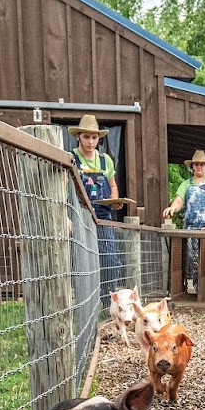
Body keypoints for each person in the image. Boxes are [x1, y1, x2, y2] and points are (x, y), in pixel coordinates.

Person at [163, 150, 205, 297]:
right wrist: (172, 208)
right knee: (195, 261)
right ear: (192, 167)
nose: (199, 167)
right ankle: (201, 292)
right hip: (192, 228)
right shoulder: (186, 184)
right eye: (196, 164)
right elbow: (179, 200)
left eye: (202, 164)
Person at [69, 115, 119, 300]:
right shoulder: (71, 158)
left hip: (103, 215)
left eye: (94, 137)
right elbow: (64, 189)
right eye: (86, 137)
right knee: (83, 261)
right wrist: (67, 217)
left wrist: (114, 201)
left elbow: (113, 187)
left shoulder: (105, 160)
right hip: (80, 214)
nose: (91, 142)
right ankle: (84, 303)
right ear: (78, 137)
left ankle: (108, 305)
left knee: (109, 260)